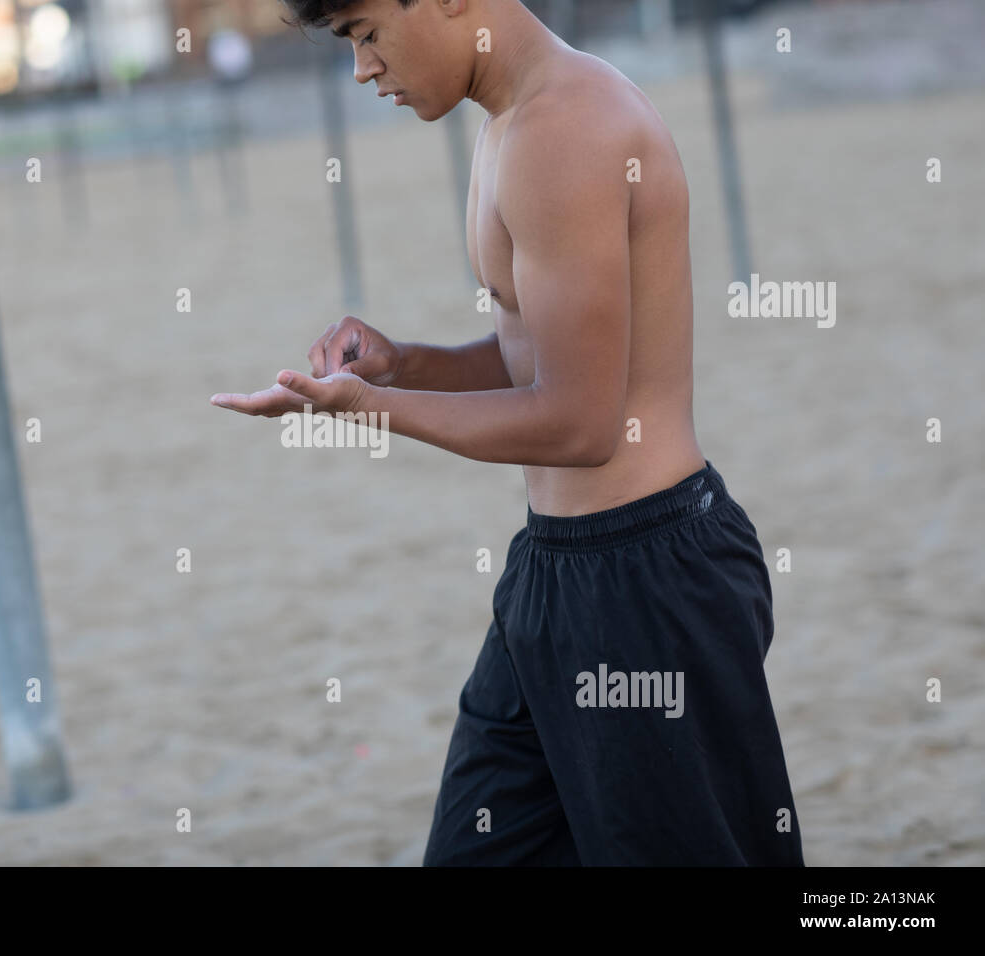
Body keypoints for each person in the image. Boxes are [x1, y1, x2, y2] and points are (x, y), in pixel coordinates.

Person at [209, 0, 804, 866]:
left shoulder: (567, 127)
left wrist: (360, 412)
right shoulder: (510, 123)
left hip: (647, 589)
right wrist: (399, 364)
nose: (363, 70)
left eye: (367, 34)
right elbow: (543, 358)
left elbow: (579, 423)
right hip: (557, 573)